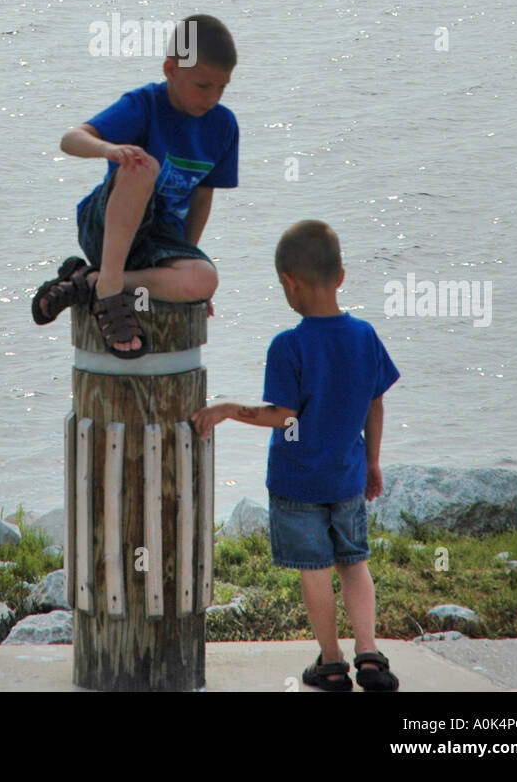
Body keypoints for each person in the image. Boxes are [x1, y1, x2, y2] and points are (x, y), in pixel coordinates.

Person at [192, 219, 401, 692]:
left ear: (289, 282)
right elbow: (375, 401)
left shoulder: (289, 345)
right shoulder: (365, 336)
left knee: (315, 570)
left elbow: (283, 415)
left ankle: (331, 662)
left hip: (298, 484)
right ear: (341, 276)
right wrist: (372, 461)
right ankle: (369, 654)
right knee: (355, 563)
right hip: (347, 477)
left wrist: (227, 409)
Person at [31, 15, 239, 359]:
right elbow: (71, 139)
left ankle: (92, 282)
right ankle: (108, 286)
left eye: (222, 87)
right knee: (144, 166)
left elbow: (203, 197)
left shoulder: (223, 125)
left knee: (204, 279)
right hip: (110, 230)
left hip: (158, 245)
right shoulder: (145, 104)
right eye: (202, 86)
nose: (212, 98)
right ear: (170, 69)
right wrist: (110, 150)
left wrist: (187, 259)